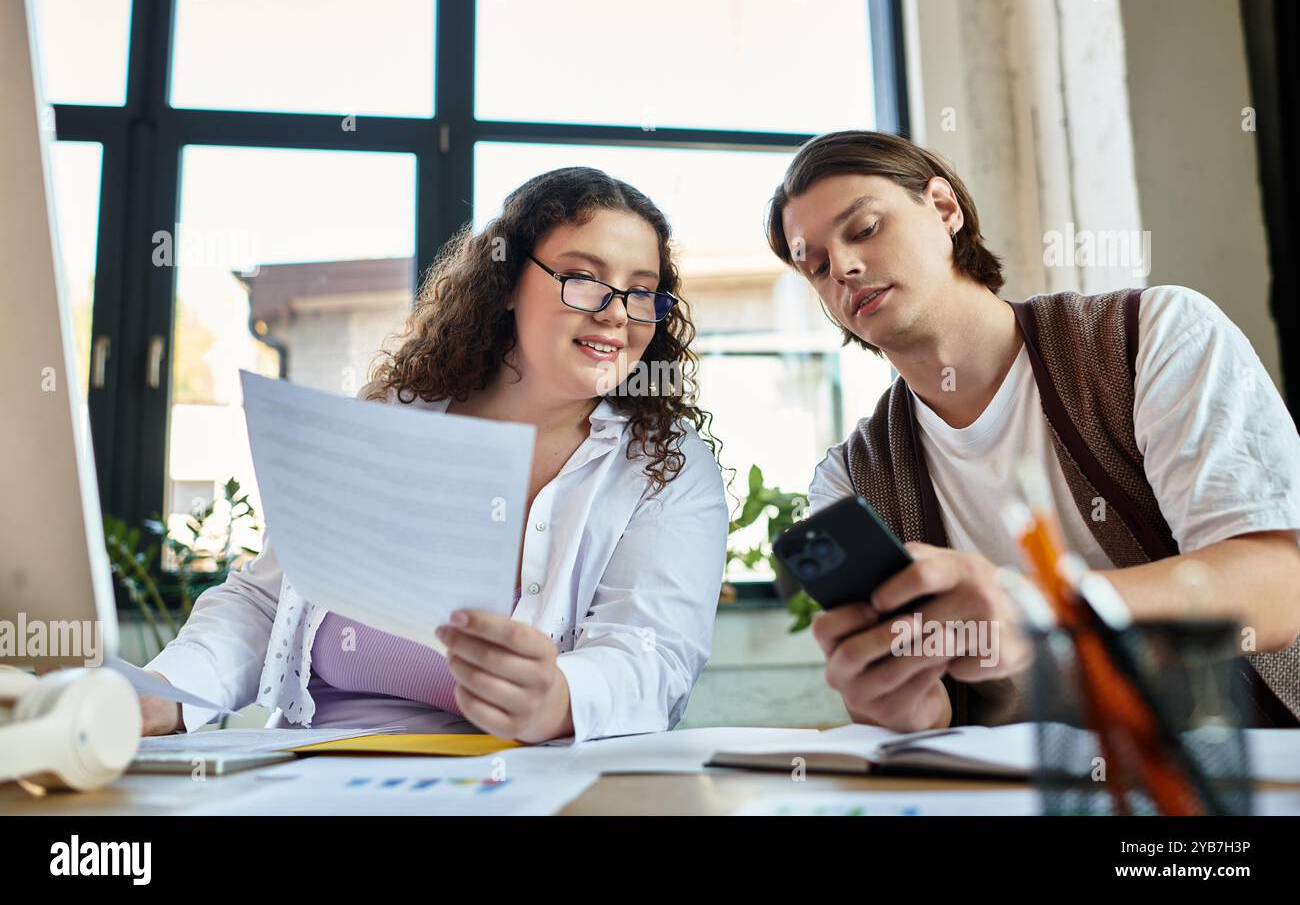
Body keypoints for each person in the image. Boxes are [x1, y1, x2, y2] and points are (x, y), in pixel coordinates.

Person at [140, 167, 729, 743]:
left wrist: (557, 698)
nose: (616, 312)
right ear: (506, 285)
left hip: (514, 780)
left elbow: (654, 655)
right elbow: (264, 602)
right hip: (313, 767)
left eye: (643, 291)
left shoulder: (665, 465)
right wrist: (163, 694)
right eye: (582, 277)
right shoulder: (390, 417)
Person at [766, 130, 1300, 731]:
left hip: (1243, 773)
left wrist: (1045, 609)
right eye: (814, 264)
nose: (842, 267)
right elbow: (929, 717)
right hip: (1027, 790)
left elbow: (1278, 586)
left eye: (863, 229)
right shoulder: (852, 478)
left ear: (945, 210)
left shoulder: (1150, 335)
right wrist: (892, 700)